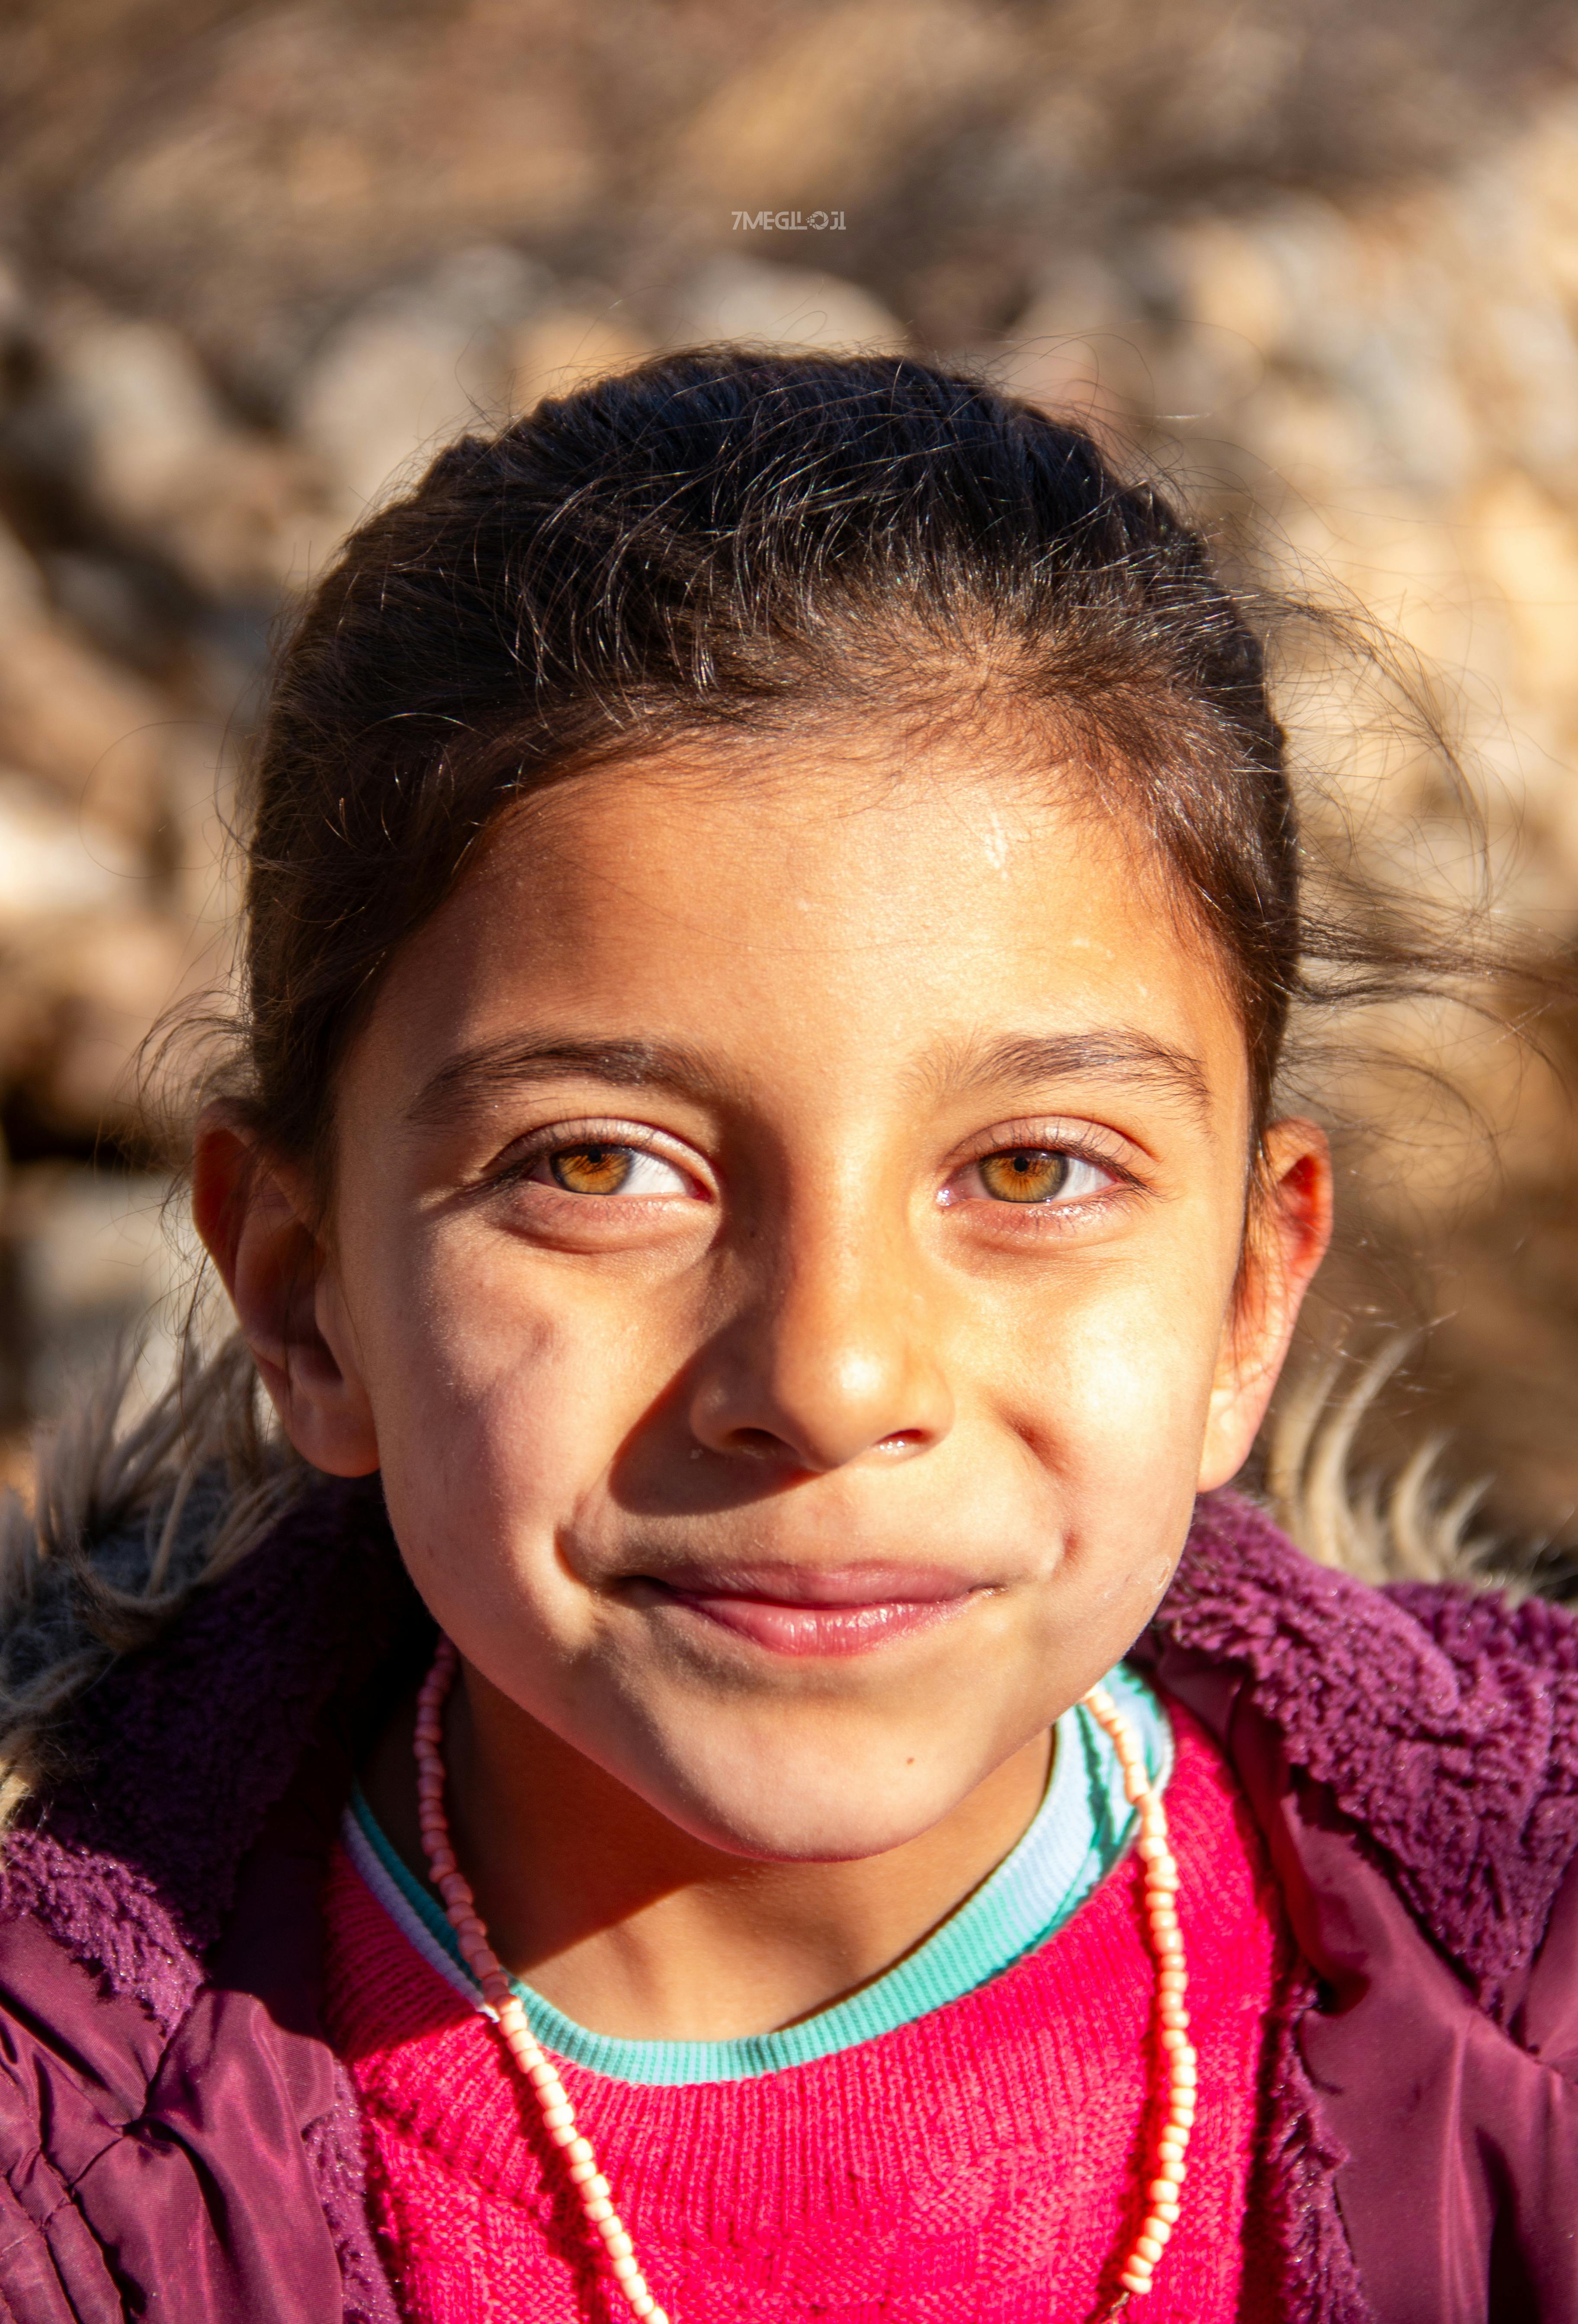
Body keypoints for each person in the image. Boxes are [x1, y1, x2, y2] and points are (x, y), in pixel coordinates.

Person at [0, 351, 1572, 2324]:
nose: (831, 1381)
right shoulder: (64, 2173)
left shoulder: (1531, 1989)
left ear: (1250, 1300)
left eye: (1031, 1170)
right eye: (601, 1164)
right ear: (307, 1297)